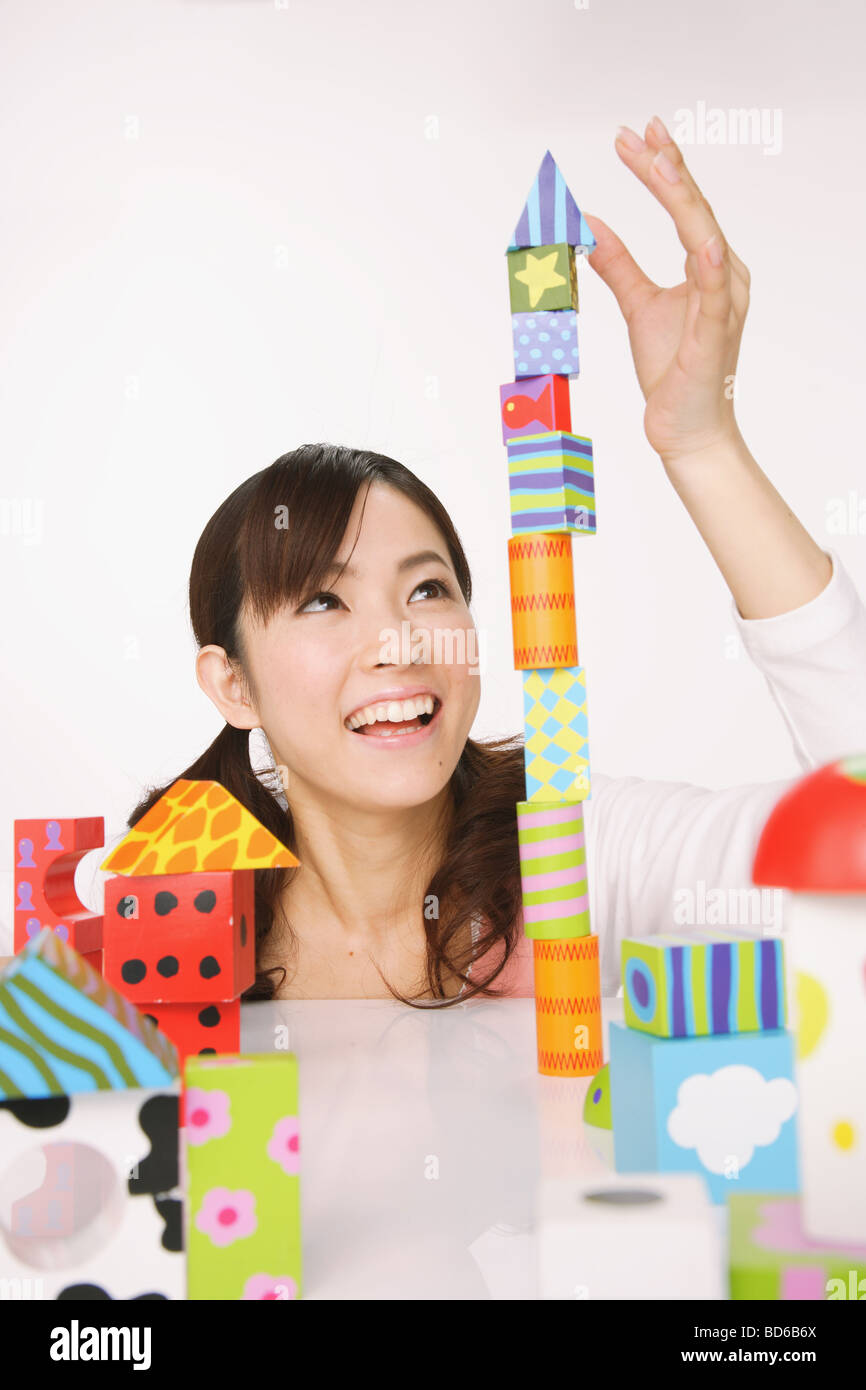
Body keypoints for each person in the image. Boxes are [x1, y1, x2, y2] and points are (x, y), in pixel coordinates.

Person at [117, 118, 866, 1005]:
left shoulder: (576, 854)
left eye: (428, 589)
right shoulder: (175, 915)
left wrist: (703, 446)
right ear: (231, 684)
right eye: (324, 601)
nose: (398, 642)